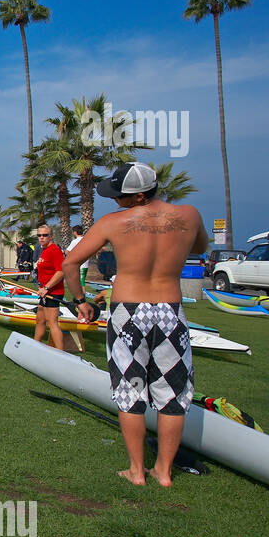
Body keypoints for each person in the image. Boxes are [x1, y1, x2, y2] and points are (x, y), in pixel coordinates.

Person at [63, 163, 207, 488]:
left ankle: (137, 471)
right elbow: (200, 247)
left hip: (129, 311)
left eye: (120, 196)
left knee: (130, 390)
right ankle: (165, 472)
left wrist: (80, 301)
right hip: (171, 312)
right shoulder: (189, 216)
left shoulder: (113, 223)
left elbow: (71, 262)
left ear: (139, 195)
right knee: (172, 394)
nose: (115, 201)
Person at [32, 224, 67, 351]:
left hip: (53, 292)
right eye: (39, 235)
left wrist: (46, 287)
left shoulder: (54, 250)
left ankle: (61, 353)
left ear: (51, 236)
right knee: (40, 320)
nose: (41, 238)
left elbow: (61, 271)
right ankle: (35, 346)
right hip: (44, 292)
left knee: (52, 323)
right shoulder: (44, 250)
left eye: (45, 235)